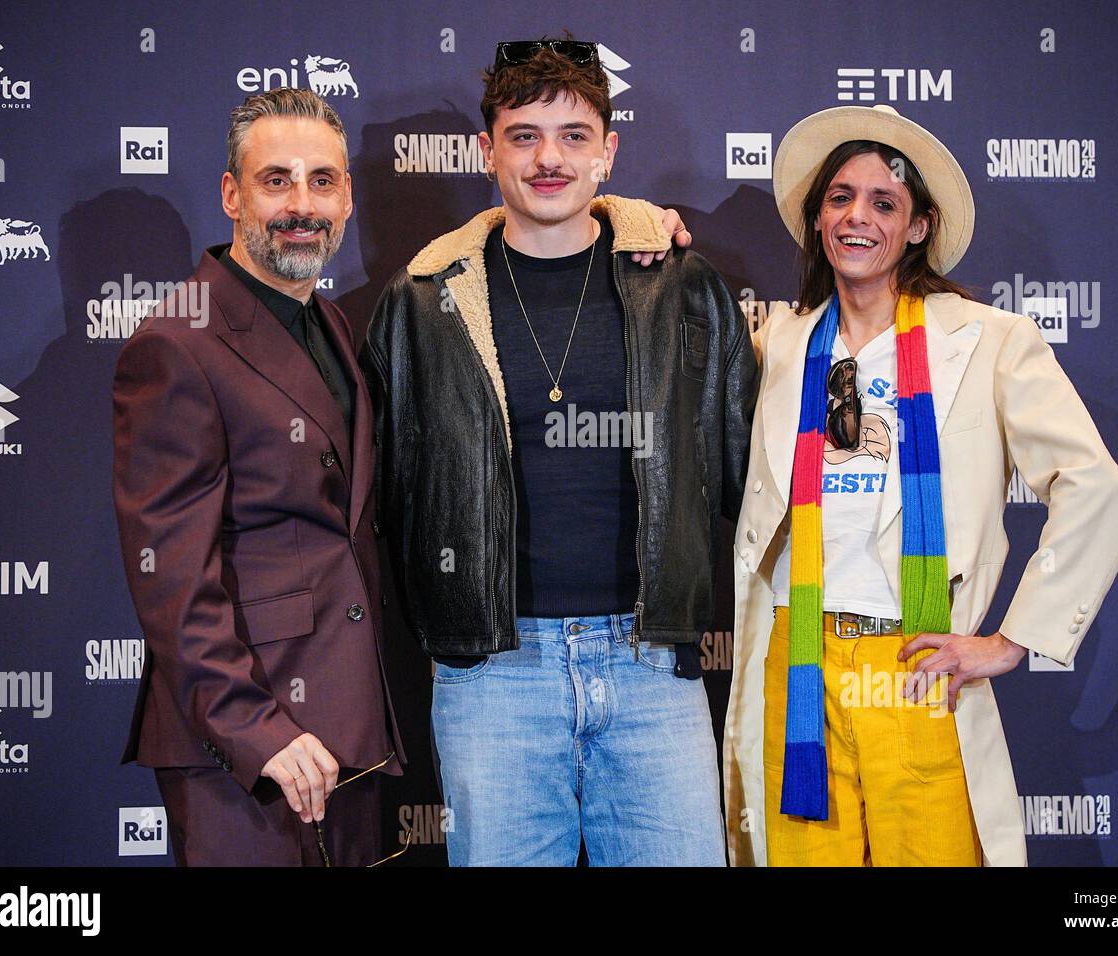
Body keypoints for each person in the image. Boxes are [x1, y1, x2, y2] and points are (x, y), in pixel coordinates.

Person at [363, 39, 757, 866]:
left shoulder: (682, 285)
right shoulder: (423, 302)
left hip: (655, 666)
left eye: (575, 135)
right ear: (487, 151)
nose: (550, 159)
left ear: (608, 152)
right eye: (525, 135)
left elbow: (737, 473)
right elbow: (393, 494)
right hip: (493, 675)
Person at [722, 104, 1118, 866]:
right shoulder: (777, 342)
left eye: (884, 202)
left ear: (916, 227)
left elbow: (1093, 484)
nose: (857, 218)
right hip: (799, 662)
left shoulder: (992, 342)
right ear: (817, 220)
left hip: (917, 665)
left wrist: (1011, 641)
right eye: (840, 198)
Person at [112, 88, 404, 866]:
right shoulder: (178, 343)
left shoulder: (330, 322)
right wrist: (258, 732)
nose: (301, 205)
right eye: (276, 180)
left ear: (347, 197)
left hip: (347, 731)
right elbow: (172, 577)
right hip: (245, 753)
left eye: (322, 181)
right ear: (232, 195)